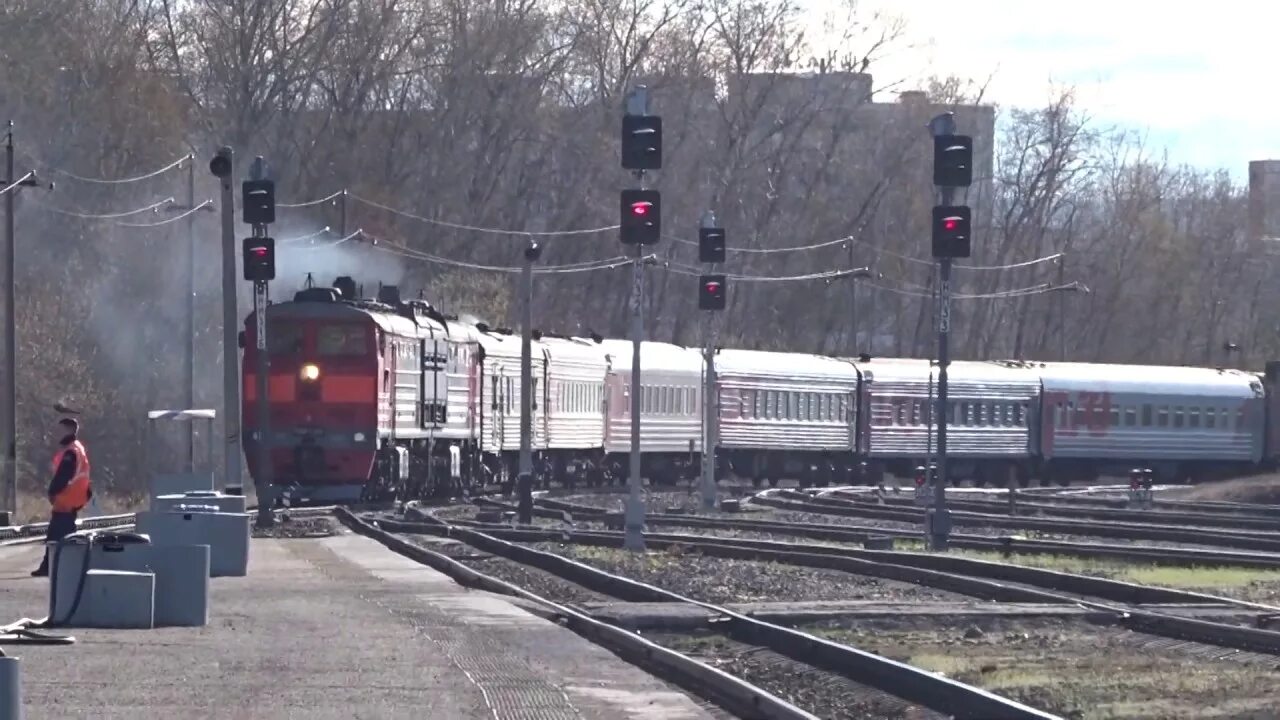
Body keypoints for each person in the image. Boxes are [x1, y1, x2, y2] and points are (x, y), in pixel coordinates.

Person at [31, 417, 92, 577]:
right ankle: (61, 565)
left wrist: (52, 491)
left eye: (60, 430)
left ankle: (50, 566)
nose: (56, 433)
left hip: (66, 499)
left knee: (56, 536)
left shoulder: (70, 452)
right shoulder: (78, 448)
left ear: (70, 430)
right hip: (73, 499)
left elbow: (64, 475)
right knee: (65, 535)